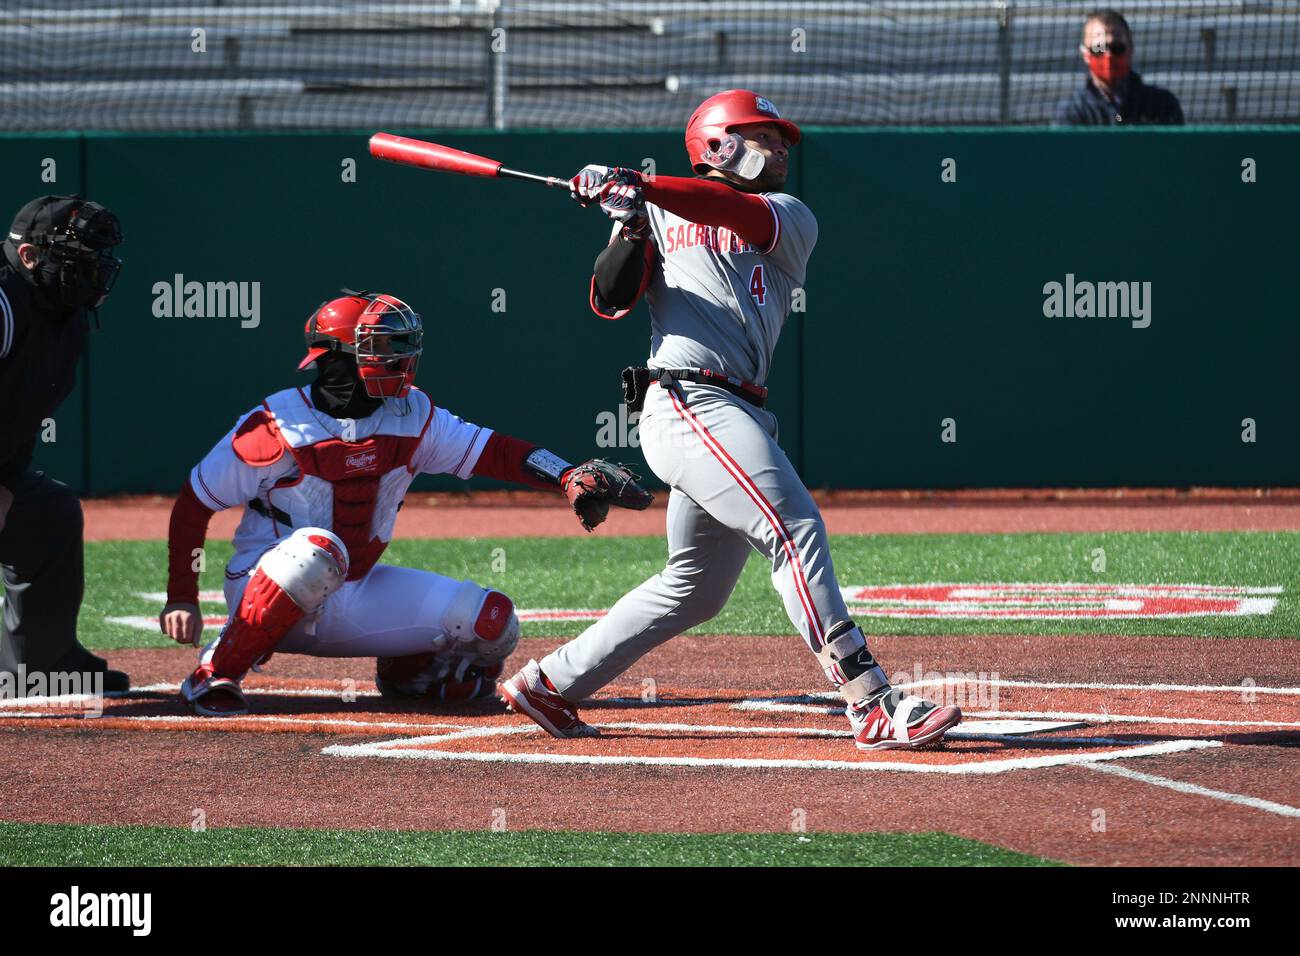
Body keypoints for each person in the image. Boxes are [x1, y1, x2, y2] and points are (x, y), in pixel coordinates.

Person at [499, 90, 962, 751]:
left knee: (696, 589)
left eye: (778, 140)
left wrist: (641, 186)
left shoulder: (787, 215)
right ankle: (871, 700)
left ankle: (550, 683)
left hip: (738, 410)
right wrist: (630, 221)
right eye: (764, 136)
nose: (779, 150)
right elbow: (608, 299)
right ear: (718, 143)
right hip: (688, 401)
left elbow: (723, 207)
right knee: (793, 527)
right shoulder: (651, 211)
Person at [159, 289, 650, 716]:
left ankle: (410, 677)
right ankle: (214, 671)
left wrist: (564, 473)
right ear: (339, 355)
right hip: (266, 585)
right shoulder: (278, 421)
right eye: (382, 348)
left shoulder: (412, 412)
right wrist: (182, 593)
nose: (400, 362)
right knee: (316, 549)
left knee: (492, 624)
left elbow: (493, 450)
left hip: (353, 590)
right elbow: (195, 501)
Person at [0, 195, 126, 694]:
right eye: (80, 262)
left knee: (48, 513)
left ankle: (41, 666)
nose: (93, 274)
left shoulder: (61, 311)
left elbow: (19, 418)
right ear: (30, 256)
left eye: (98, 262)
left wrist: (7, 484)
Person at [1054, 9, 1184, 125]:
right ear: (1086, 54)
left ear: (1130, 49)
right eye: (1098, 49)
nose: (1108, 55)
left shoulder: (1161, 105)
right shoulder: (1073, 110)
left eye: (1117, 48)